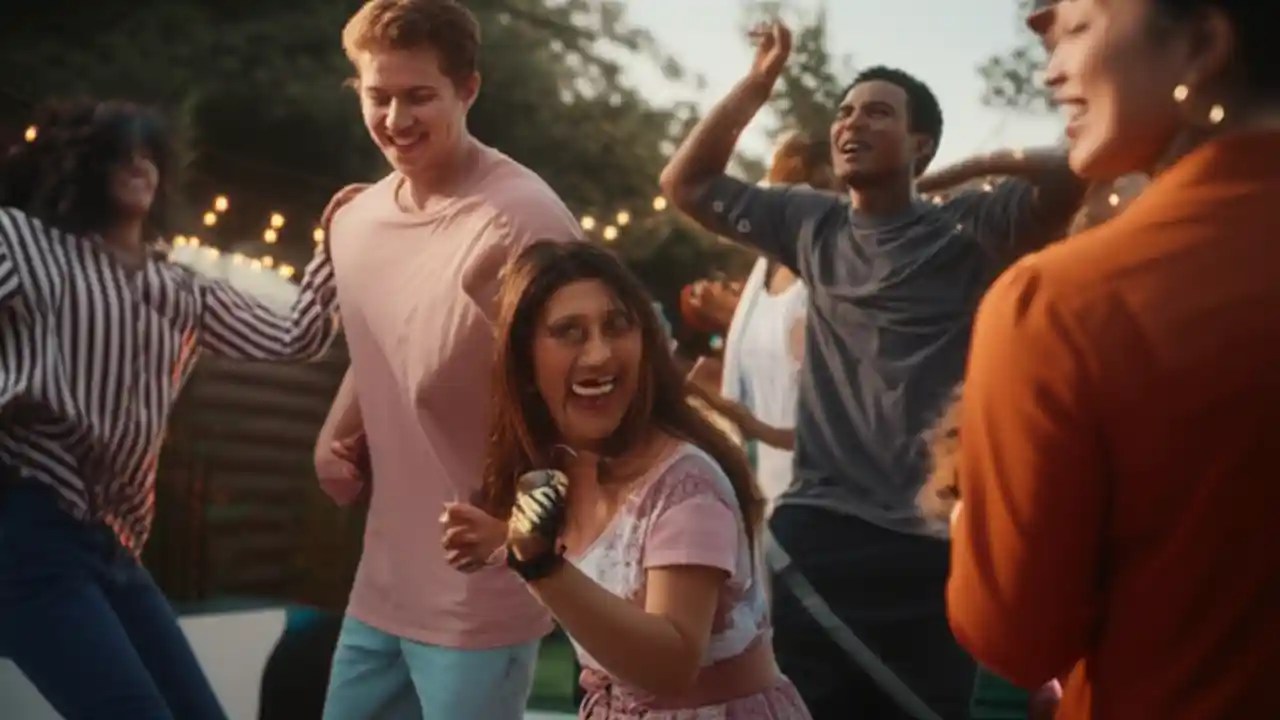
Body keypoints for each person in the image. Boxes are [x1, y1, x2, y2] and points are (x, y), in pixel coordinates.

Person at [659, 20, 1086, 719]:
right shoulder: (812, 224)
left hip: (930, 548)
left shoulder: (975, 228)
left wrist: (970, 168)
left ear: (920, 143)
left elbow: (1078, 164)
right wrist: (760, 82)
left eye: (877, 112)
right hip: (818, 531)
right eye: (843, 111)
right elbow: (686, 181)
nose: (851, 124)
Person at [948, 0, 1280, 717]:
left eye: (1075, 27)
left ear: (1203, 45)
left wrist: (971, 522)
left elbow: (1015, 640)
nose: (1051, 72)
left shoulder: (1064, 304)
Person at [0, 99, 341, 719]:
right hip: (30, 529)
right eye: (119, 152)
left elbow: (297, 336)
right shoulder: (26, 247)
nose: (138, 163)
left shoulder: (178, 287)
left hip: (116, 546)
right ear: (82, 167)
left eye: (148, 152)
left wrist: (338, 239)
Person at [309, 1, 582, 718]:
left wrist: (532, 545)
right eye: (378, 96)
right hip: (380, 584)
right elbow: (382, 338)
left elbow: (588, 400)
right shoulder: (357, 219)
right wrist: (334, 432)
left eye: (419, 96)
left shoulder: (524, 221)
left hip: (481, 593)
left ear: (468, 90)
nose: (396, 118)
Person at [443, 240, 811, 719]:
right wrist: (503, 538)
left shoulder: (685, 487)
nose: (598, 353)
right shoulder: (561, 469)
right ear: (527, 366)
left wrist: (537, 566)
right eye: (569, 332)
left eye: (616, 326)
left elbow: (671, 664)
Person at [687, 131, 837, 508]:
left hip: (817, 504)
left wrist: (753, 426)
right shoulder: (765, 267)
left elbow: (838, 426)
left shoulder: (826, 283)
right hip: (763, 495)